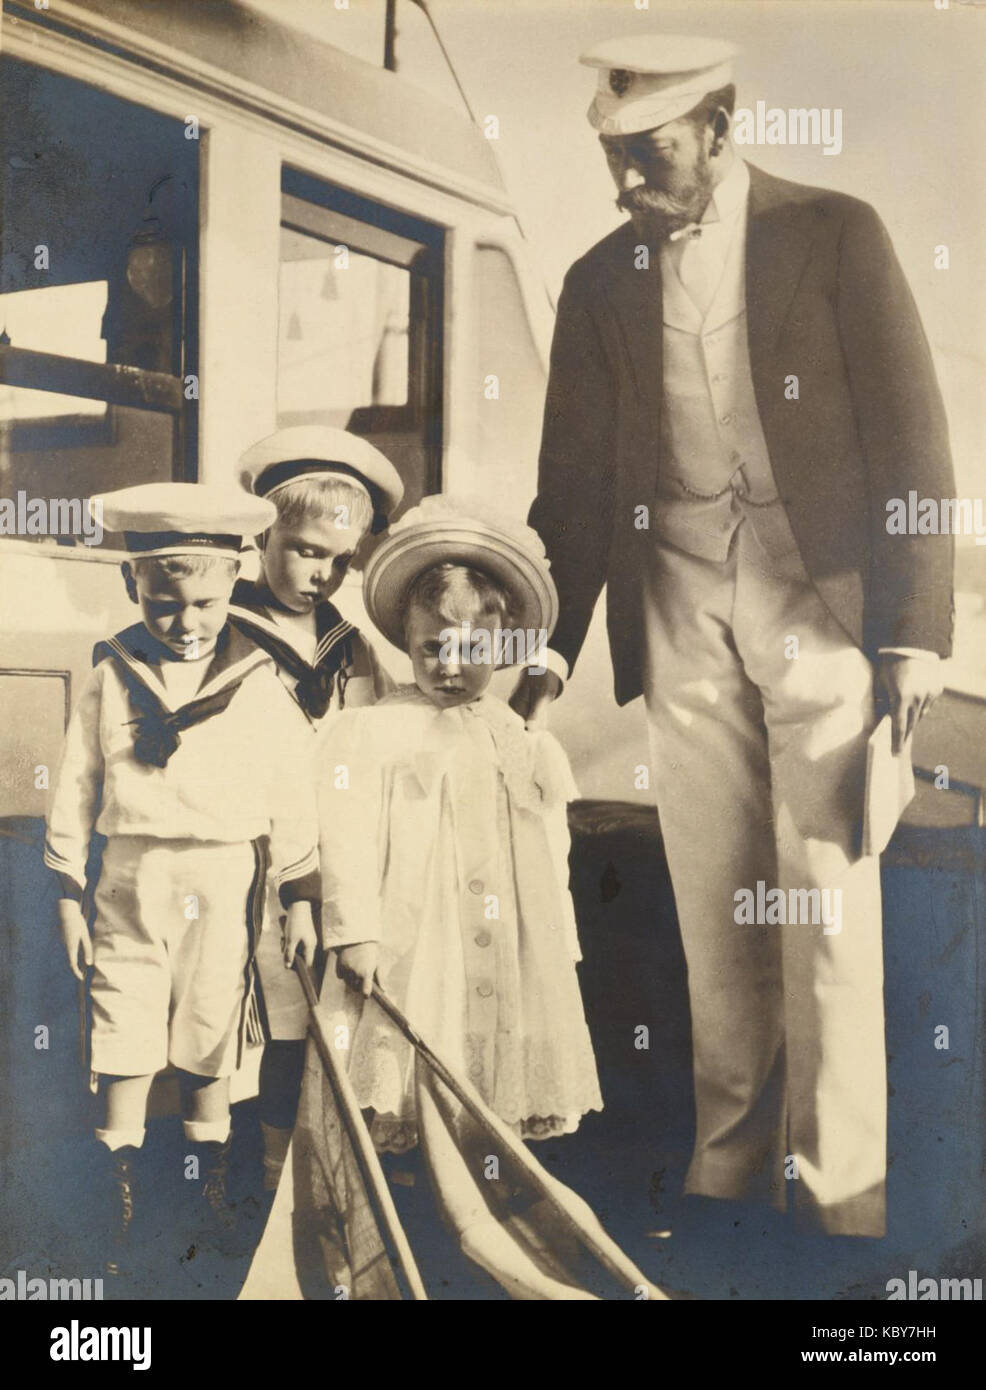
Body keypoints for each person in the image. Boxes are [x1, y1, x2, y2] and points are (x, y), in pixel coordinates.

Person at [512, 33, 955, 1240]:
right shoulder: (599, 279)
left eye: (646, 155)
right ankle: (726, 1174)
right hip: (678, 607)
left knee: (821, 899)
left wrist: (912, 634)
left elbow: (911, 431)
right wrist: (547, 641)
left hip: (821, 608)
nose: (623, 185)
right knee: (715, 902)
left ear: (718, 123)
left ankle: (842, 1194)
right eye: (609, 158)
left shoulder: (835, 232)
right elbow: (572, 485)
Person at [44, 483, 320, 1273]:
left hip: (223, 873)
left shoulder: (260, 682)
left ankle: (205, 1192)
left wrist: (299, 897)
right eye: (164, 603)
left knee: (208, 1026)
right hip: (130, 875)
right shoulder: (113, 673)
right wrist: (67, 894)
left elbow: (292, 794)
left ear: (235, 580)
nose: (186, 623)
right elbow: (76, 782)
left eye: (203, 602)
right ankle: (116, 1189)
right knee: (122, 1021)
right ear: (133, 585)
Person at [316, 495, 602, 1163]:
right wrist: (354, 930)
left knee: (493, 1045)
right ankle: (422, 1175)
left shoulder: (519, 738)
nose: (449, 665)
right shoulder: (374, 731)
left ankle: (485, 1175)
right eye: (432, 647)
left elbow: (547, 846)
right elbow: (347, 835)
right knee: (422, 1032)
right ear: (406, 642)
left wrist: (557, 936)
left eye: (471, 650)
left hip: (509, 931)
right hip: (418, 928)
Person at [230, 425, 403, 1194]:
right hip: (252, 856)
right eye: (306, 550)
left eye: (340, 561)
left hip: (332, 854)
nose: (323, 574)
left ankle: (320, 1166)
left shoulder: (349, 646)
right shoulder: (221, 630)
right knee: (258, 1017)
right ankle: (259, 1170)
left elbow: (371, 750)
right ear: (264, 534)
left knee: (319, 1020)